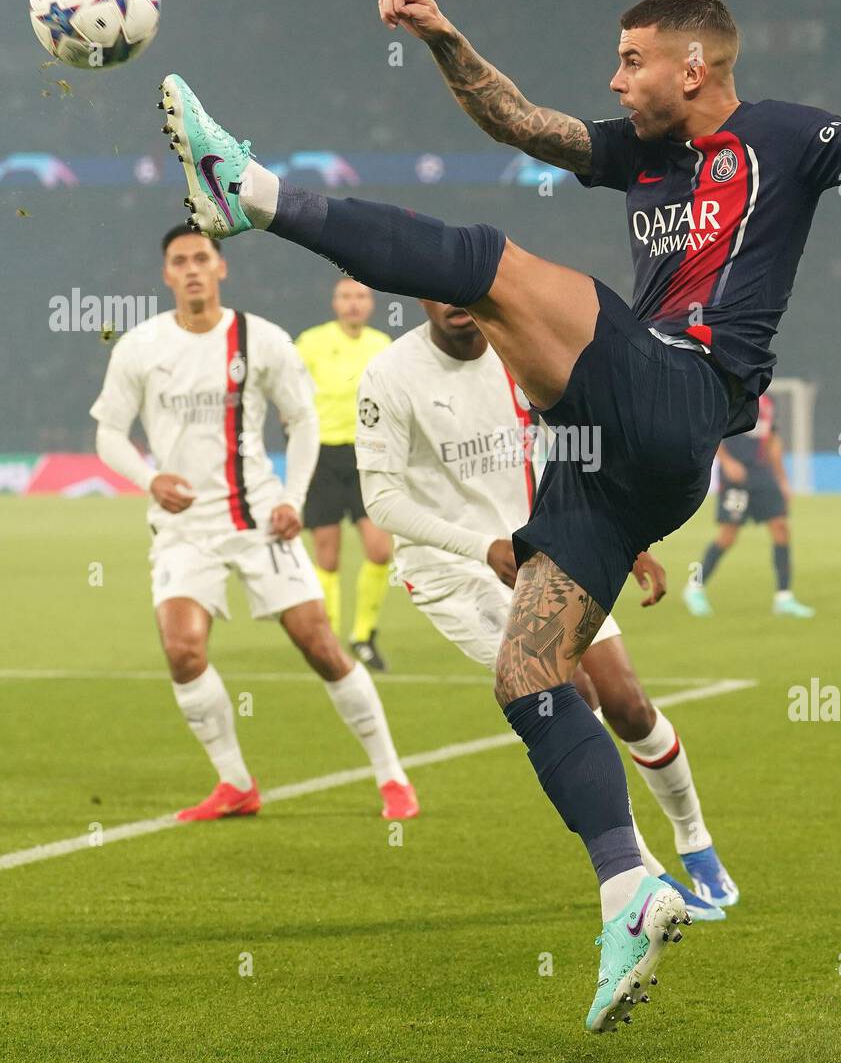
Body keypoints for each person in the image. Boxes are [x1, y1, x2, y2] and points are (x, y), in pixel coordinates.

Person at [155, 2, 841, 1031]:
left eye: (632, 62)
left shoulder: (786, 139)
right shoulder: (639, 155)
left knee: (488, 266)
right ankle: (628, 885)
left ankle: (250, 193)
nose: (617, 82)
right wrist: (447, 40)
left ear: (695, 61)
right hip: (631, 465)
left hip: (685, 386)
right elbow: (524, 123)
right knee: (527, 670)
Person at [357, 297, 740, 920]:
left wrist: (626, 535)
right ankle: (644, 875)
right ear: (419, 292)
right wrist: (481, 546)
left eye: (463, 287)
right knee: (572, 693)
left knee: (628, 702)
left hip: (546, 546)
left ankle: (696, 840)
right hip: (453, 570)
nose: (453, 301)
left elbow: (572, 445)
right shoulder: (391, 374)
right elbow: (381, 499)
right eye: (436, 288)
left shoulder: (521, 351)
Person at [90, 225, 419, 823]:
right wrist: (149, 481)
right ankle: (235, 783)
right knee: (183, 651)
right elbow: (109, 432)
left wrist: (292, 497)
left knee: (320, 645)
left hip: (259, 519)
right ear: (166, 274)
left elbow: (303, 422)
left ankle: (391, 776)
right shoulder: (139, 347)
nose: (191, 268)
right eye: (179, 261)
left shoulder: (259, 339)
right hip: (184, 527)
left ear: (221, 268)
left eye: (201, 258)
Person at [296, 278, 394, 670]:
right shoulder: (311, 342)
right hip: (321, 456)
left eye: (361, 296)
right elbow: (291, 391)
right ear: (335, 303)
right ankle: (329, 639)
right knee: (328, 556)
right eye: (346, 297)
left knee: (379, 550)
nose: (353, 304)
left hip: (366, 456)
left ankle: (363, 635)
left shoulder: (382, 346)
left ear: (370, 304)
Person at [684, 392, 814, 618]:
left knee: (781, 528)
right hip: (736, 476)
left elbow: (772, 441)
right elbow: (710, 431)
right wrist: (726, 462)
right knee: (728, 535)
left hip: (762, 473)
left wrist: (782, 479)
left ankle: (784, 598)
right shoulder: (730, 394)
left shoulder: (769, 400)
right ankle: (694, 587)